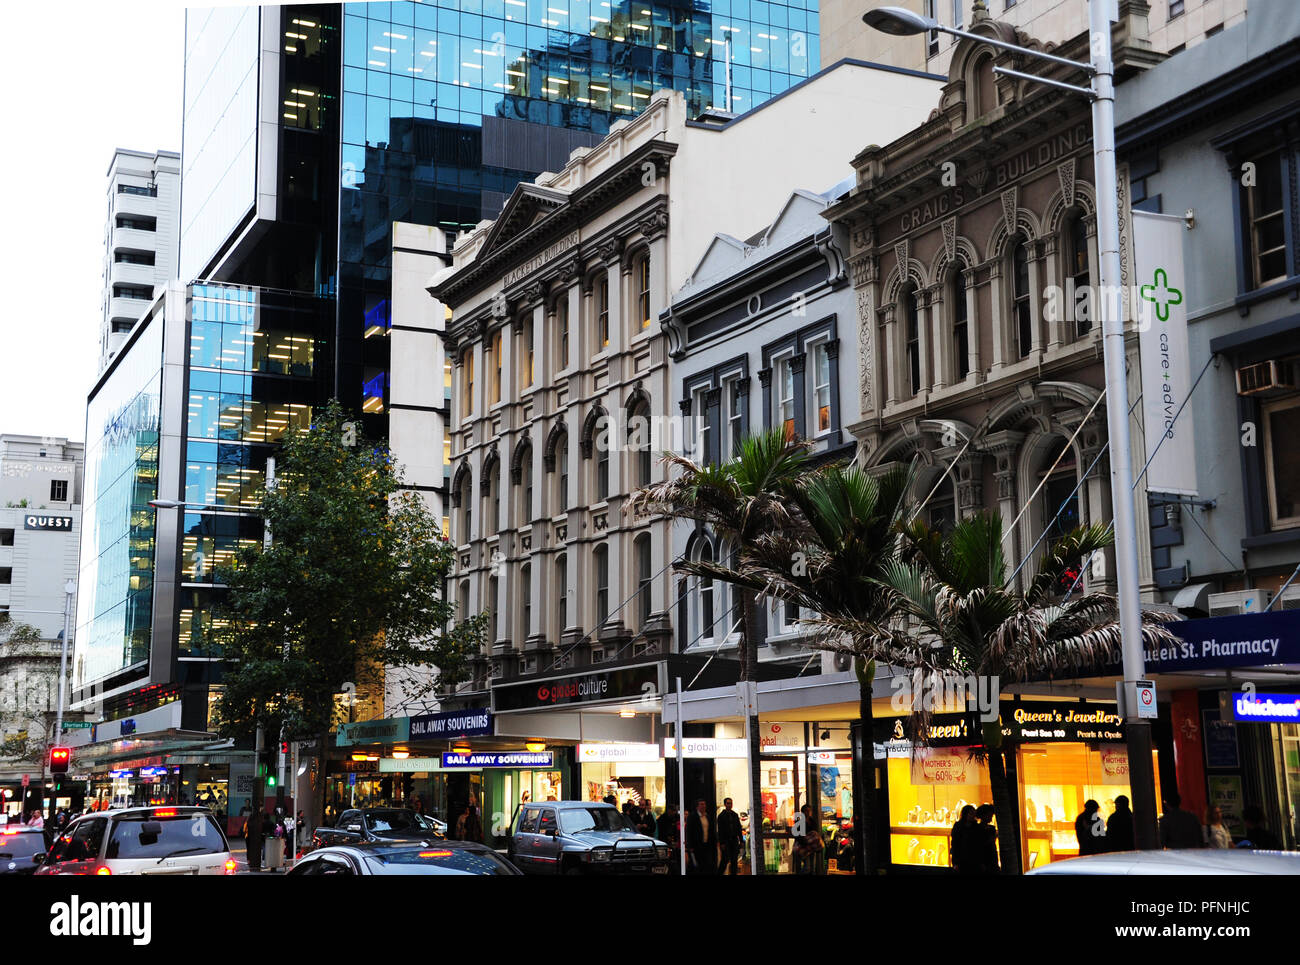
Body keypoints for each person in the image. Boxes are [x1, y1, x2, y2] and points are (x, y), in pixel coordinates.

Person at [685, 798, 716, 874]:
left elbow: (711, 830)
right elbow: (689, 832)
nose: (703, 806)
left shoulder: (707, 817)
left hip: (706, 845)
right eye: (701, 804)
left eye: (704, 804)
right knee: (696, 865)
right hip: (696, 846)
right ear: (697, 807)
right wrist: (690, 846)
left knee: (706, 865)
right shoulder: (692, 817)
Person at [716, 798, 744, 875]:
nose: (729, 805)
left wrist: (741, 840)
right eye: (728, 803)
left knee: (734, 860)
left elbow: (739, 828)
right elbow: (720, 830)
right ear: (725, 804)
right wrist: (722, 842)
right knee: (725, 860)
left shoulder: (735, 815)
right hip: (726, 841)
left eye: (731, 803)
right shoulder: (721, 816)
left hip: (734, 840)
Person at [794, 804, 824, 874]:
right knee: (807, 867)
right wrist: (805, 841)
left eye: (809, 811)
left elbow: (815, 833)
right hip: (803, 847)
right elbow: (797, 835)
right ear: (802, 812)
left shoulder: (813, 821)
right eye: (806, 811)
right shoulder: (799, 822)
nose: (808, 812)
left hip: (812, 847)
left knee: (812, 868)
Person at [950, 805, 979, 873]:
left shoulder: (976, 827)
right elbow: (955, 844)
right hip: (961, 858)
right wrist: (955, 862)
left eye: (974, 814)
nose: (972, 816)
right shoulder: (958, 826)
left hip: (973, 859)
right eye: (971, 813)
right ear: (965, 814)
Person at [657, 803, 682, 872]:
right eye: (672, 811)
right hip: (664, 840)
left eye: (674, 811)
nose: (673, 813)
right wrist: (667, 837)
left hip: (675, 840)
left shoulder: (677, 817)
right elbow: (661, 830)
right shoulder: (662, 818)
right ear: (668, 811)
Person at [975, 804, 999, 874]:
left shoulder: (991, 828)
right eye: (989, 816)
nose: (991, 819)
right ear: (983, 816)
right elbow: (979, 846)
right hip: (984, 858)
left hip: (992, 858)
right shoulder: (978, 829)